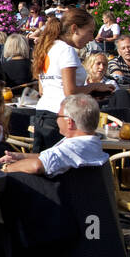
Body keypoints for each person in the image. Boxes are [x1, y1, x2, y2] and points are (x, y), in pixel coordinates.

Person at [0, 94, 109, 254]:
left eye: (58, 116)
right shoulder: (87, 144)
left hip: (35, 212)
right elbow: (52, 159)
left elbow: (38, 166)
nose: (56, 118)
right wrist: (21, 156)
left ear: (70, 122)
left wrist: (7, 168)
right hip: (59, 209)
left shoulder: (74, 147)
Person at [31, 8, 112, 151]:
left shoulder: (49, 46)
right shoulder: (66, 50)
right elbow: (70, 91)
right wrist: (94, 87)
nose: (91, 38)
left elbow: (43, 89)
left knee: (44, 163)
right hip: (60, 116)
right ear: (75, 28)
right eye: (89, 31)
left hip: (42, 113)